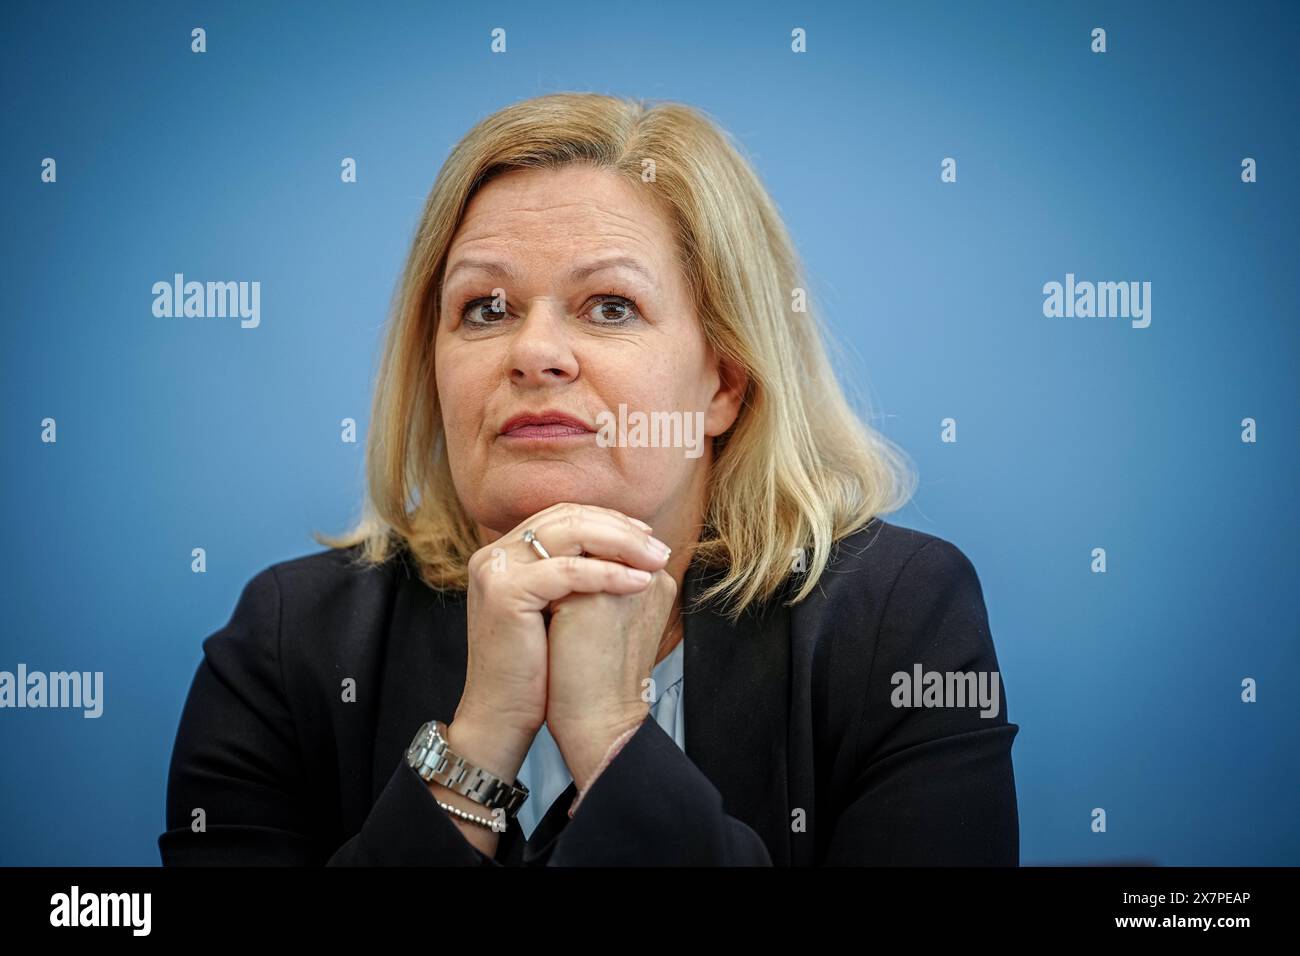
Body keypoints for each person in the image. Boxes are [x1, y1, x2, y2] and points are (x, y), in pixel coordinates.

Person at [158, 92, 1020, 866]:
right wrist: (479, 741)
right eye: (484, 309)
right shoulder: (287, 641)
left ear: (723, 381)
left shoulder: (899, 617)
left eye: (610, 307)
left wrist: (613, 739)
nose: (533, 353)